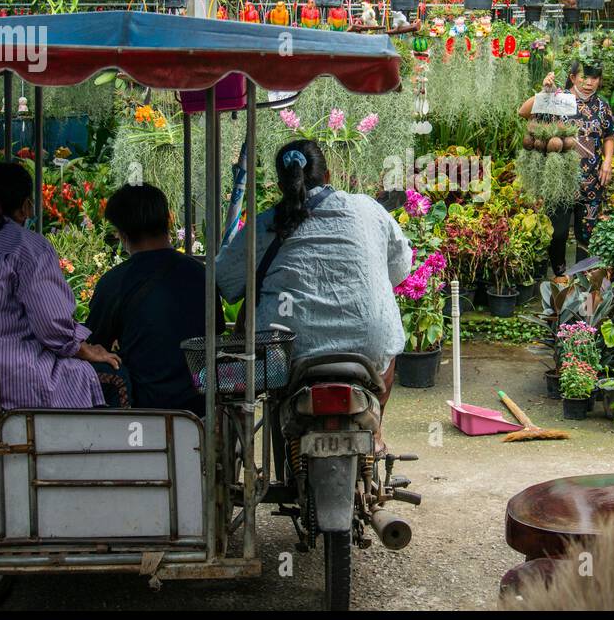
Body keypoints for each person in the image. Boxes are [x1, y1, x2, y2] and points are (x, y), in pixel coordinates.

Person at [216, 139, 411, 411]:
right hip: (368, 345)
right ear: (327, 176)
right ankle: (376, 430)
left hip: (284, 354)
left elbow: (225, 281)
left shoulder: (264, 225)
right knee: (389, 353)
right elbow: (401, 269)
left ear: (282, 185)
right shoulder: (369, 210)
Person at [0, 162, 118, 410]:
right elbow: (52, 326)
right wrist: (85, 349)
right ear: (25, 206)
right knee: (107, 376)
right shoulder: (27, 247)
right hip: (2, 377)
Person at [85, 183, 223, 415]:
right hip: (201, 407)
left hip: (143, 409)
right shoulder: (201, 273)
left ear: (123, 233)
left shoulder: (115, 281)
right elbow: (216, 329)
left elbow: (95, 343)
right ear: (167, 221)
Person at [518, 59, 614, 276]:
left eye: (594, 78)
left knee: (587, 233)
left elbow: (609, 136)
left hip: (592, 180)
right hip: (561, 179)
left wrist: (607, 161)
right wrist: (544, 92)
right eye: (584, 77)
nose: (589, 82)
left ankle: (584, 281)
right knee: (558, 232)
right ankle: (560, 276)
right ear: (573, 78)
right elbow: (523, 111)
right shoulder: (559, 99)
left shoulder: (602, 106)